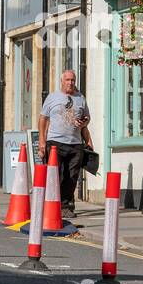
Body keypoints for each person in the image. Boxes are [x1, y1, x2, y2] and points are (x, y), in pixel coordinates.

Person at [38, 69, 94, 217]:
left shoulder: (80, 98)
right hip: (55, 142)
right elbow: (43, 119)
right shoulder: (52, 97)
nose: (70, 83)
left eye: (73, 80)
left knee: (72, 176)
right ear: (61, 81)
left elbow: (86, 119)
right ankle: (52, 205)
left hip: (75, 143)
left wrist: (88, 138)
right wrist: (42, 141)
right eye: (67, 80)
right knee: (57, 175)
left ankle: (65, 207)